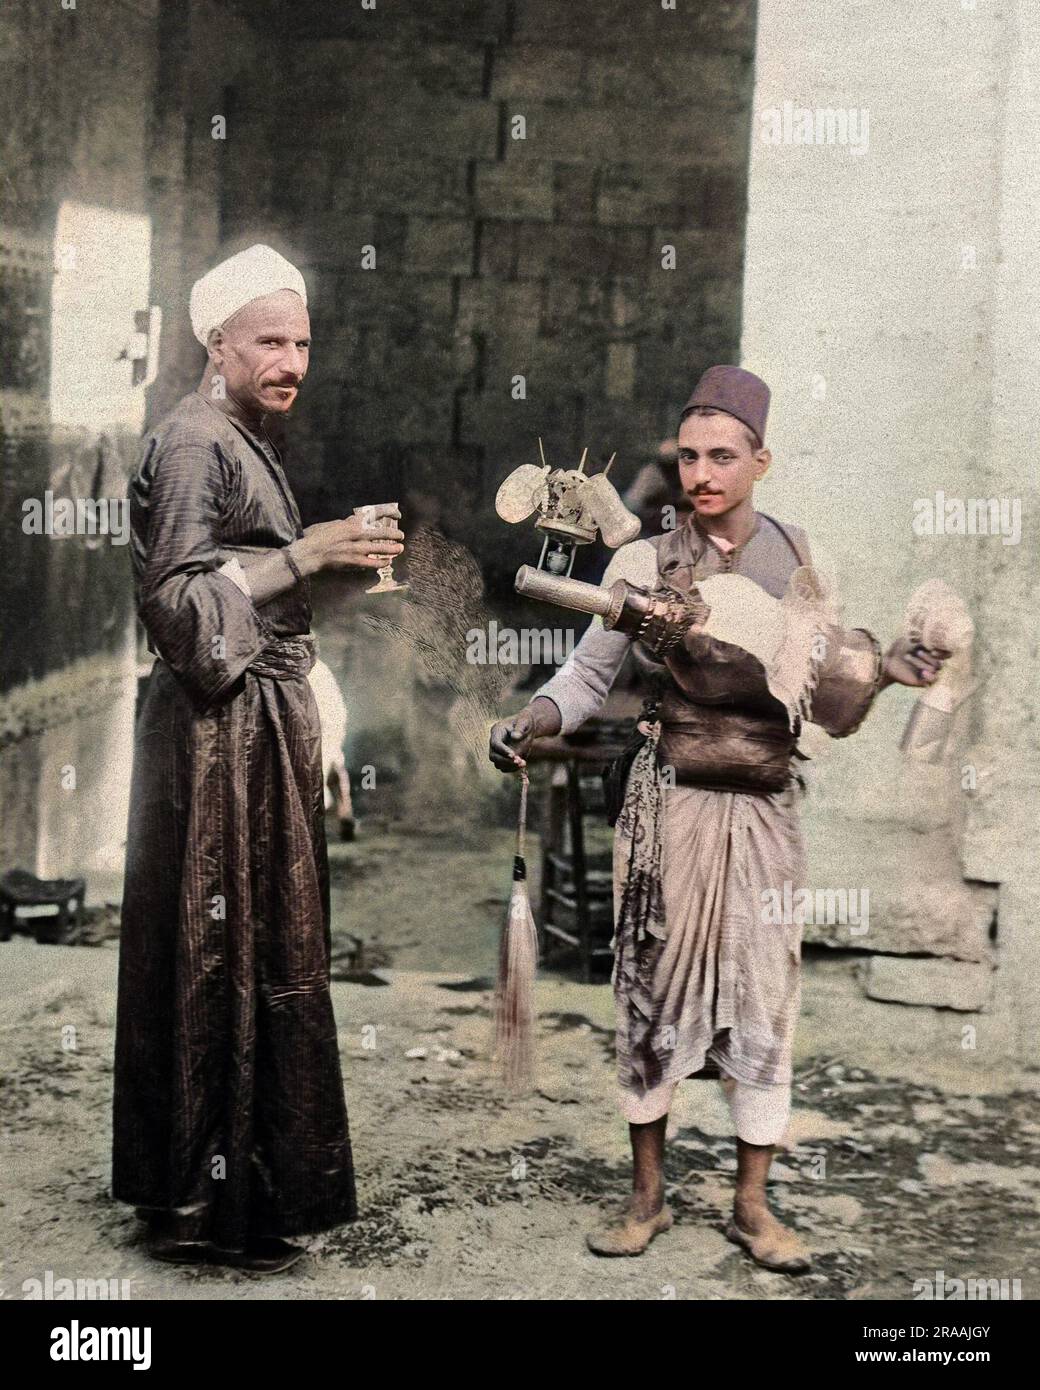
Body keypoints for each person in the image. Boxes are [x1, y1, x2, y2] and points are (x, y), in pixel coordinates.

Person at [489, 365, 947, 1273]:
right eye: (691, 456)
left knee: (763, 997)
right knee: (652, 990)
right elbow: (585, 679)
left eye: (724, 456)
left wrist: (887, 671)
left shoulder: (800, 561)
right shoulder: (642, 561)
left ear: (761, 460)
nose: (703, 474)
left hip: (766, 808)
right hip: (673, 805)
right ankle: (647, 1198)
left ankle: (751, 1206)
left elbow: (826, 701)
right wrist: (531, 722)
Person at [113, 244, 404, 1273]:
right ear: (216, 341)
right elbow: (181, 612)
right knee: (215, 948)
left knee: (260, 949)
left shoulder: (245, 436)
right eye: (269, 340)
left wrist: (334, 564)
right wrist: (305, 554)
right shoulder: (192, 441)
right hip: (210, 737)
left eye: (304, 341)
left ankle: (222, 1186)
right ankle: (203, 1204)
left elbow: (246, 588)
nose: (291, 359)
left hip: (254, 727)